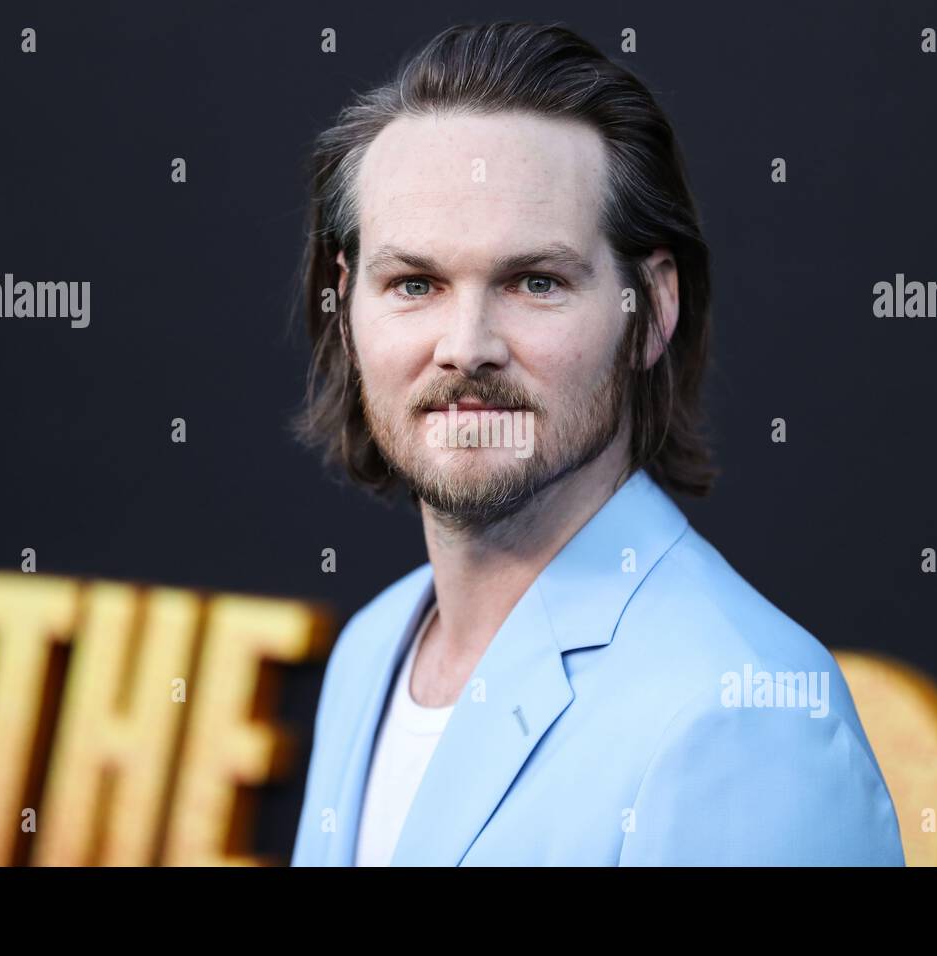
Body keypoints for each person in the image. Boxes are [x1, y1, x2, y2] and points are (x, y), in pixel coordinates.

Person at [289, 20, 904, 866]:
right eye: (415, 283)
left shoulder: (745, 716)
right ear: (347, 305)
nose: (467, 346)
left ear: (652, 307)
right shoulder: (372, 647)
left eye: (535, 281)